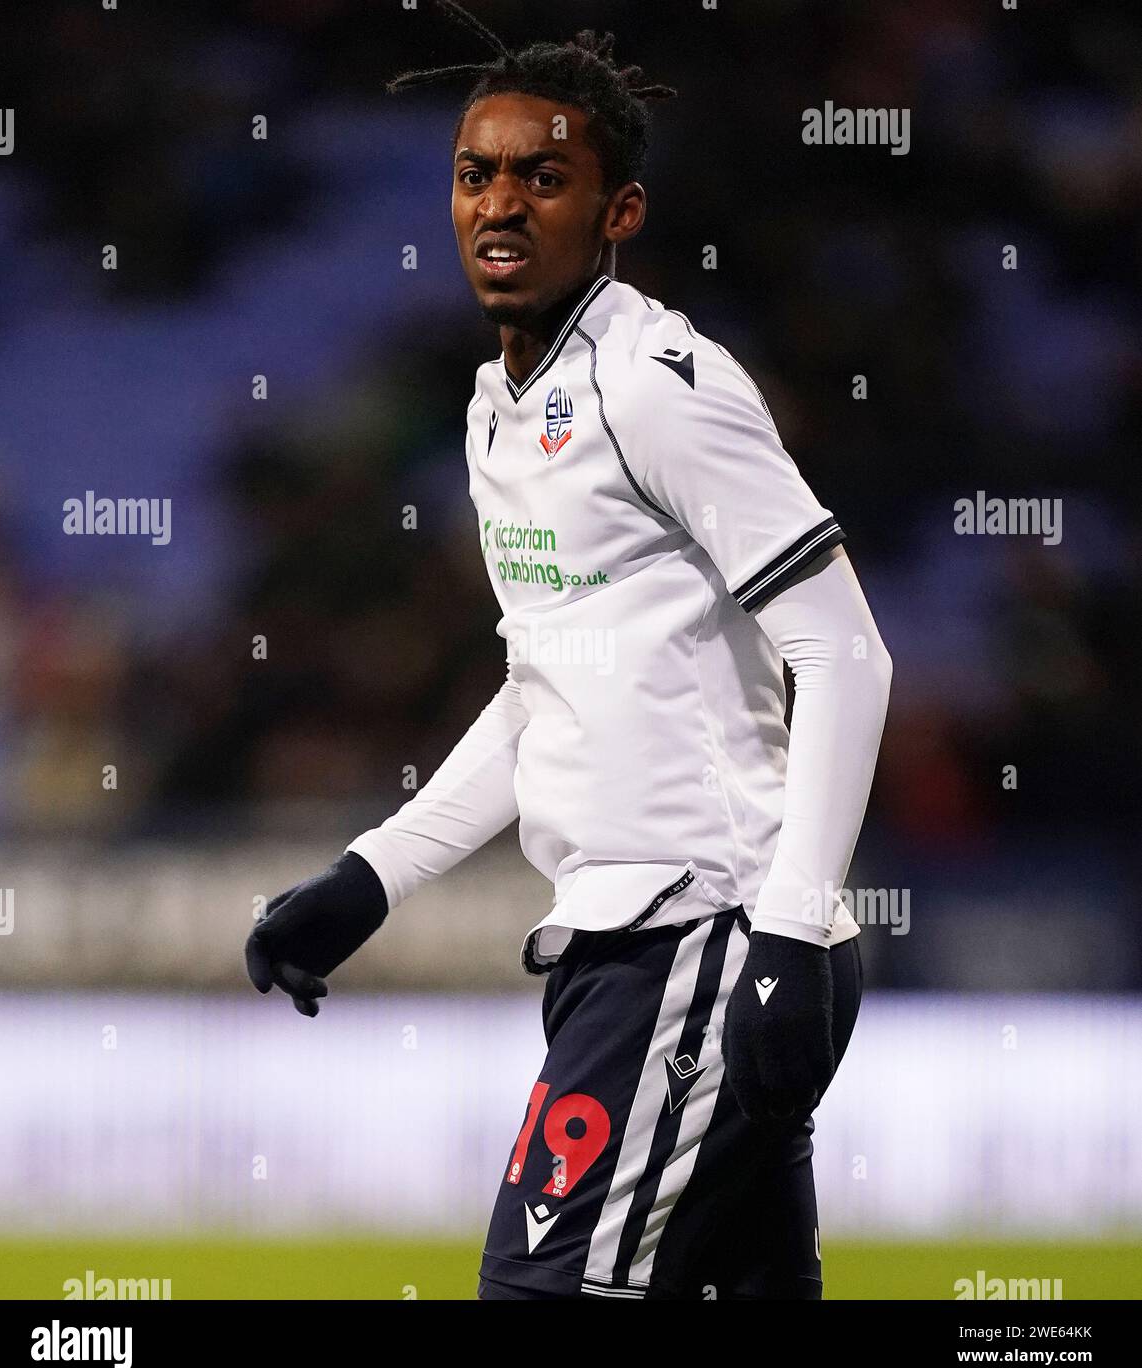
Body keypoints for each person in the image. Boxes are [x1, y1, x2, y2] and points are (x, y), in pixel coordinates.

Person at [245, 0, 891, 1301]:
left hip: (703, 936)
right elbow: (549, 684)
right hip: (633, 941)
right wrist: (375, 873)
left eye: (544, 177)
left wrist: (777, 929)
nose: (500, 203)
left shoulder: (654, 385)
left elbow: (845, 652)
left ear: (618, 212)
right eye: (476, 174)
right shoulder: (499, 407)